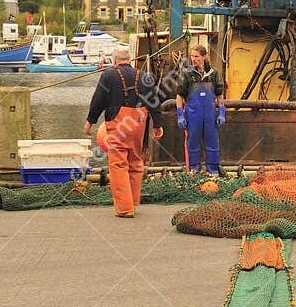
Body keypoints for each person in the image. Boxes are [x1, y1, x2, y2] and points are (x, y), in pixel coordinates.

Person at [83, 44, 163, 217]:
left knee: (118, 164)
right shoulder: (143, 75)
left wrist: (90, 121)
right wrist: (157, 124)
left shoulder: (108, 75)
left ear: (115, 61)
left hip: (118, 124)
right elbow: (154, 101)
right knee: (135, 162)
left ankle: (125, 208)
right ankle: (132, 202)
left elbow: (98, 99)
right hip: (138, 123)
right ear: (130, 60)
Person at [176, 44, 224, 175]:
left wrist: (221, 113)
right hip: (193, 114)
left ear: (204, 57)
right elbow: (179, 96)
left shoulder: (214, 74)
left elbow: (219, 95)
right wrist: (180, 115)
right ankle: (194, 169)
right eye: (192, 56)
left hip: (210, 114)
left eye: (196, 56)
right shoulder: (186, 74)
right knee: (192, 142)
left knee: (212, 141)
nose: (193, 59)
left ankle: (213, 170)